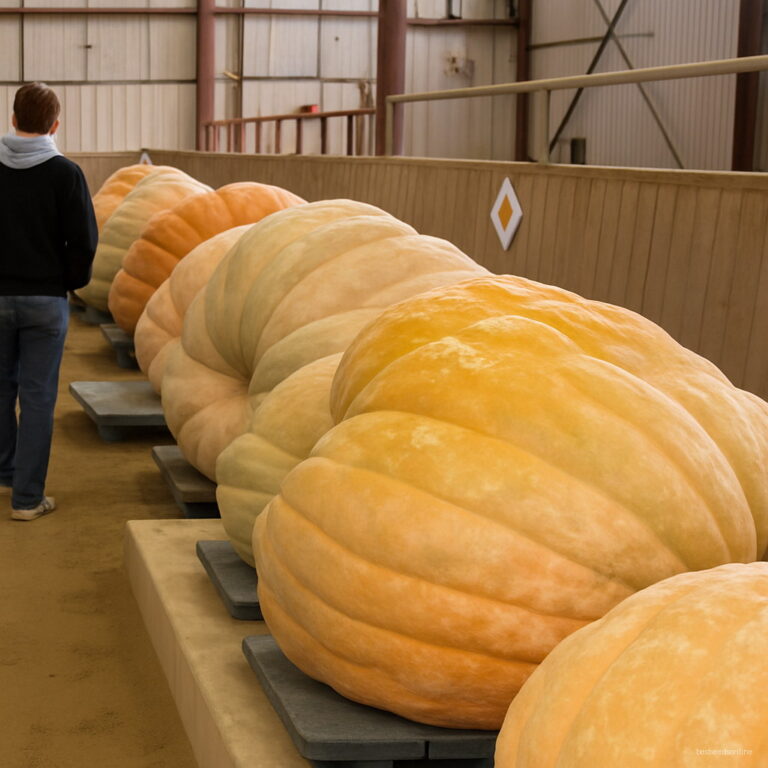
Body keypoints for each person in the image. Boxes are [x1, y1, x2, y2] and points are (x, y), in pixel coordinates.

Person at [0, 82, 97, 521]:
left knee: (1, 390)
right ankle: (26, 499)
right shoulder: (66, 173)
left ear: (13, 119)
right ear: (54, 125)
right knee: (38, 397)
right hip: (45, 300)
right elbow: (84, 240)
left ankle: (5, 473)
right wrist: (69, 282)